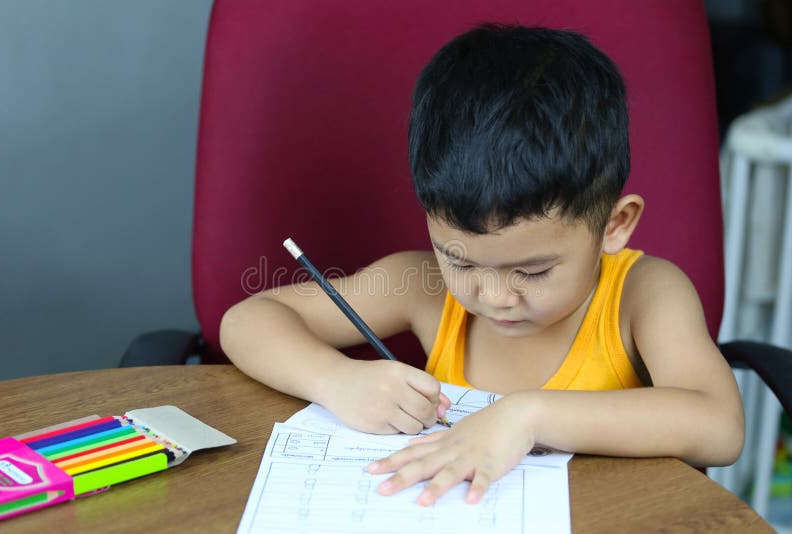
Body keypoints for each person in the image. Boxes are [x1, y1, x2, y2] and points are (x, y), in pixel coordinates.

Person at [220, 24, 745, 506]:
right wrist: (335, 380)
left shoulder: (644, 294)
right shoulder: (421, 284)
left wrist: (527, 415)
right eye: (459, 259)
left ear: (614, 225)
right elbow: (247, 320)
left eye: (532, 272)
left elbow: (719, 425)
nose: (492, 295)